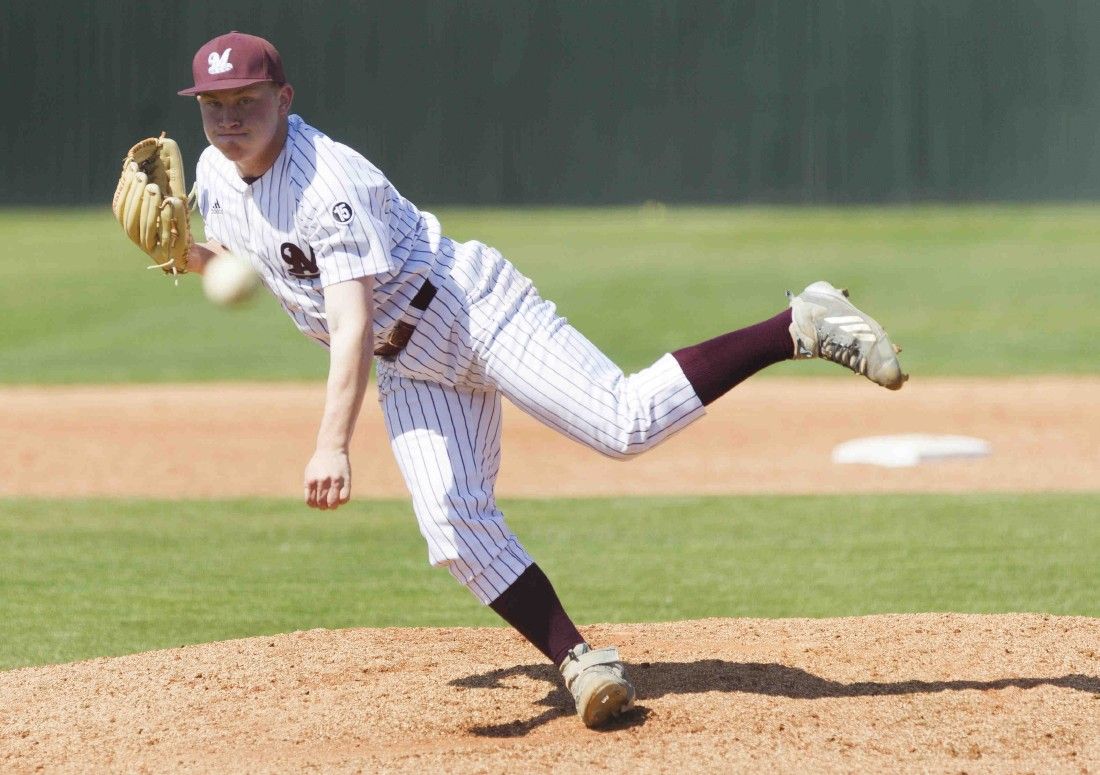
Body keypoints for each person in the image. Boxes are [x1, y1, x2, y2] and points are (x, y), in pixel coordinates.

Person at [177, 31, 907, 728]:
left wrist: (333, 443)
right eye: (215, 105)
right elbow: (258, 257)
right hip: (414, 365)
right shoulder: (215, 174)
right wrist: (185, 249)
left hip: (470, 309)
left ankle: (796, 325)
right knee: (451, 522)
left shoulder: (325, 180)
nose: (230, 118)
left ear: (285, 97)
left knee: (625, 423)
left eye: (247, 100)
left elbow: (352, 322)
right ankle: (581, 660)